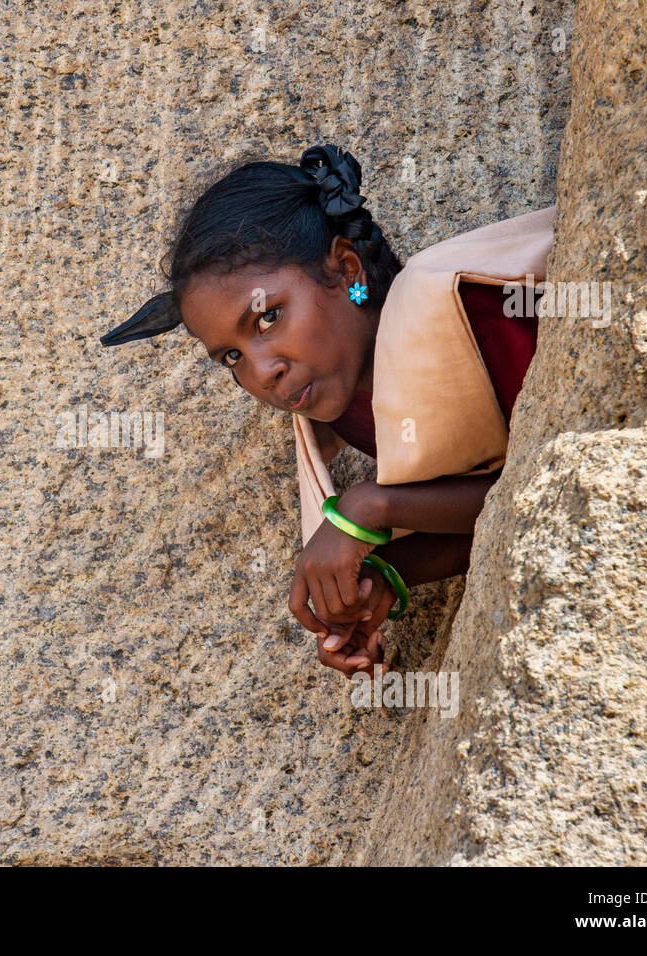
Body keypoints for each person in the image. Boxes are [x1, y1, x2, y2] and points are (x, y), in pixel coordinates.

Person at [100, 144, 554, 679]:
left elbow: (551, 470)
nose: (260, 371)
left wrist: (369, 508)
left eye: (267, 318)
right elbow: (502, 510)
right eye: (230, 357)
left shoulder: (465, 308)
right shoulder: (342, 414)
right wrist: (376, 581)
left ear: (345, 269)